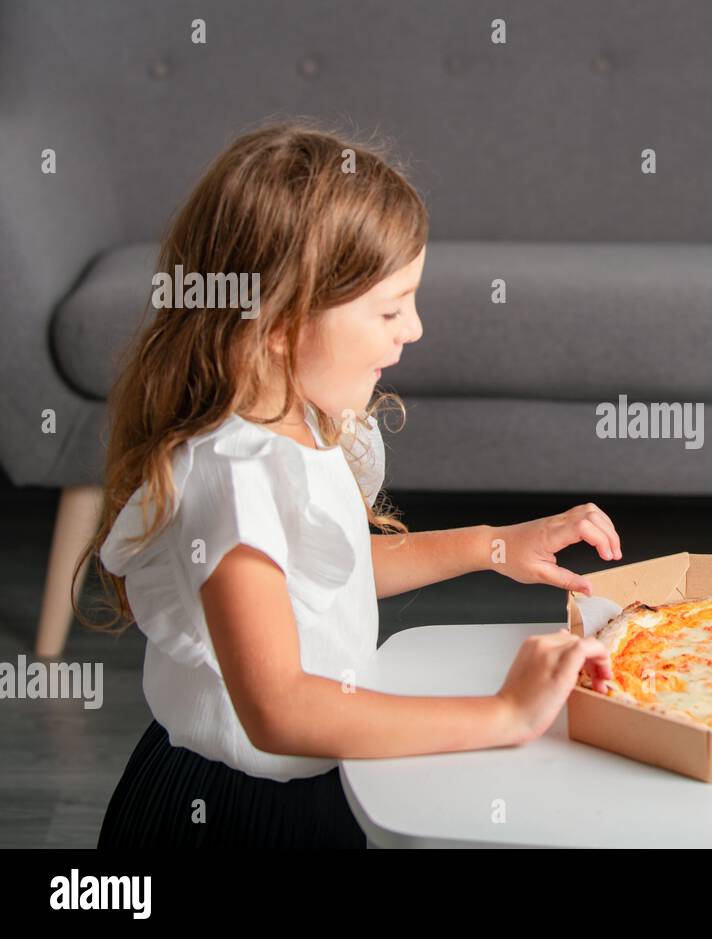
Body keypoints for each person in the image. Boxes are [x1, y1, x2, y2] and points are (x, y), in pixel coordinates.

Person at [85, 121, 618, 847]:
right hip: (235, 814)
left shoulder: (301, 419)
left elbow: (321, 577)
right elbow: (279, 709)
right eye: (391, 308)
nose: (414, 329)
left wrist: (492, 546)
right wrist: (504, 713)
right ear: (280, 322)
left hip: (314, 784)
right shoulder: (234, 475)